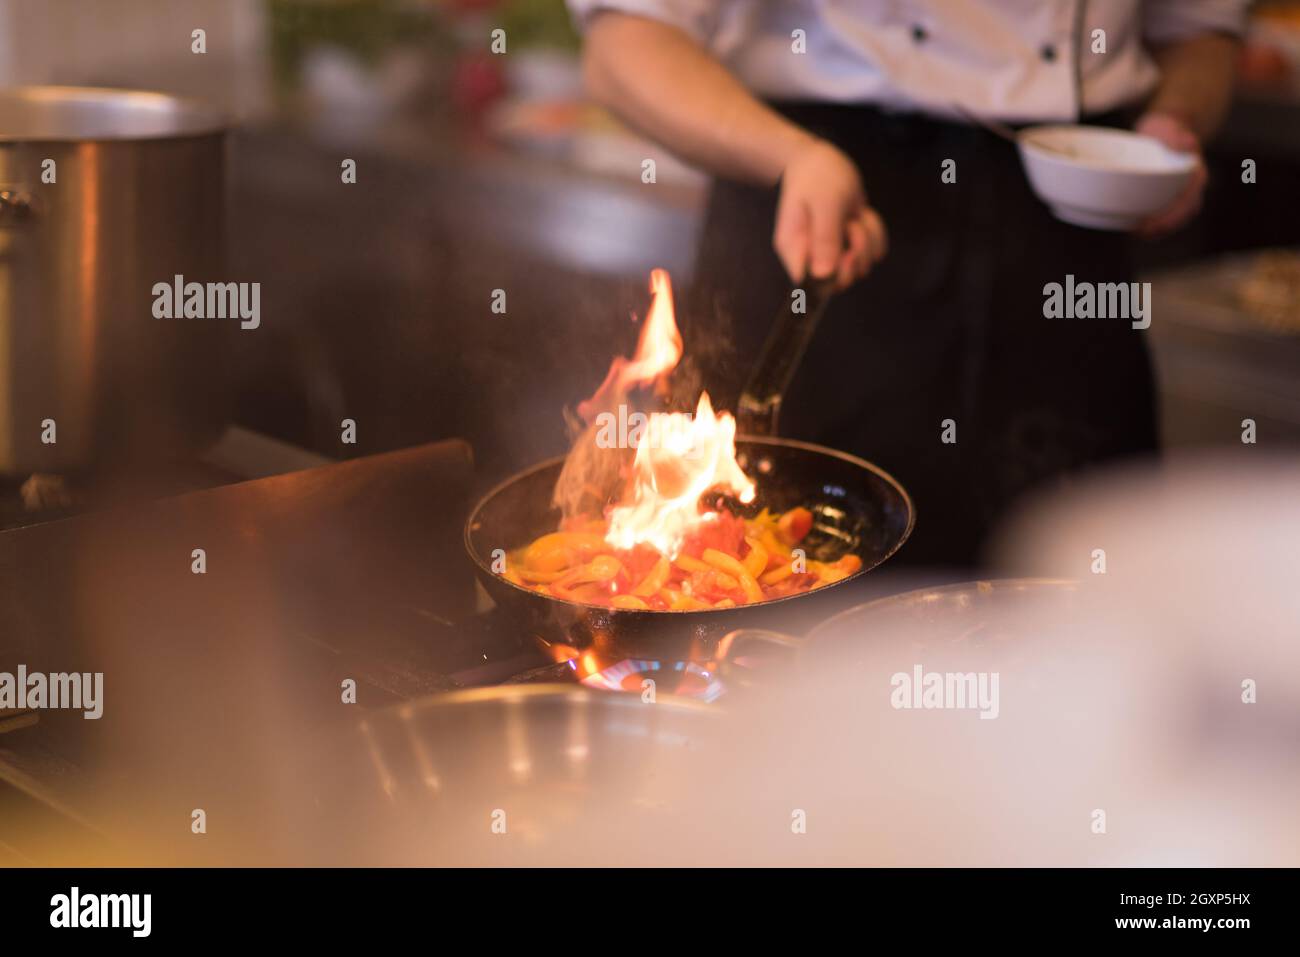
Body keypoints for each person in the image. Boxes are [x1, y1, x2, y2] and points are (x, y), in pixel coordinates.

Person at [565, 0, 1247, 567]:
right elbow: (626, 39)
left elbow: (1202, 29)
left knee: (1090, 596)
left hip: (1068, 228)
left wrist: (1174, 125)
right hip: (816, 198)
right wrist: (791, 156)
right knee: (784, 601)